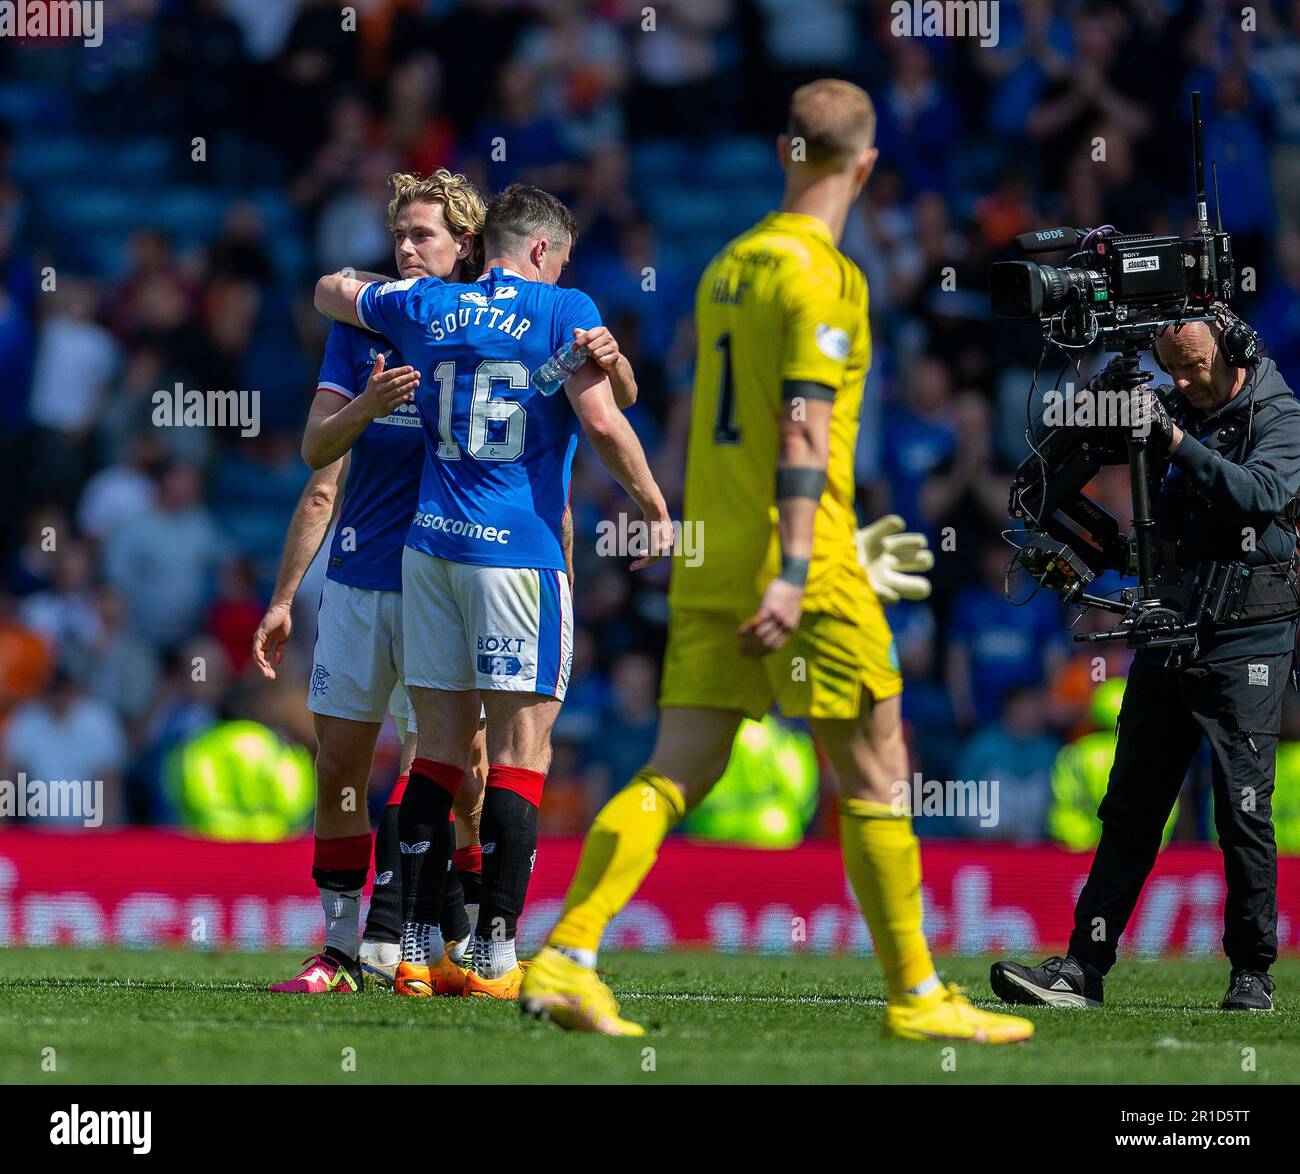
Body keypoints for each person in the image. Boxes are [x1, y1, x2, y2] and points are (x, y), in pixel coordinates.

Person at [519, 79, 1033, 1044]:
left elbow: (699, 418)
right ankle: (918, 994)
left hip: (713, 559)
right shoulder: (826, 276)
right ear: (867, 167)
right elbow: (803, 431)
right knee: (878, 770)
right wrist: (799, 566)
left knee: (677, 769)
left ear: (784, 151)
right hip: (803, 563)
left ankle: (566, 954)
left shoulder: (728, 267)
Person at [313, 183, 669, 1000]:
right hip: (516, 556)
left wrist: (362, 288)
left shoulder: (430, 304)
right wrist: (653, 503)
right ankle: (495, 955)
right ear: (542, 250)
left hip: (428, 551)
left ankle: (408, 950)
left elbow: (335, 288)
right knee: (517, 760)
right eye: (564, 259)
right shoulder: (560, 307)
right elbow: (606, 425)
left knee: (433, 756)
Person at [992, 314, 1300, 1012]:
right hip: (1170, 626)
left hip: (1248, 636)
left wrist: (1170, 438)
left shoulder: (1280, 417)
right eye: (1173, 370)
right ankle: (1082, 969)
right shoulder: (1165, 402)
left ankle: (1252, 975)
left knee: (1243, 811)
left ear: (1236, 352)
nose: (1184, 383)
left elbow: (1259, 495)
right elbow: (1045, 461)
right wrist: (1104, 396)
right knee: (1130, 809)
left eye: (1195, 368)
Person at [257, 168, 488, 994]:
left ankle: (457, 932)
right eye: (400, 235)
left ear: (465, 245)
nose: (407, 249)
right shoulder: (363, 329)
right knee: (339, 768)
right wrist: (285, 598)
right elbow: (320, 464)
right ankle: (345, 950)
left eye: (424, 235)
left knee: (461, 777)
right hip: (358, 583)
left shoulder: (485, 330)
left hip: (450, 583)